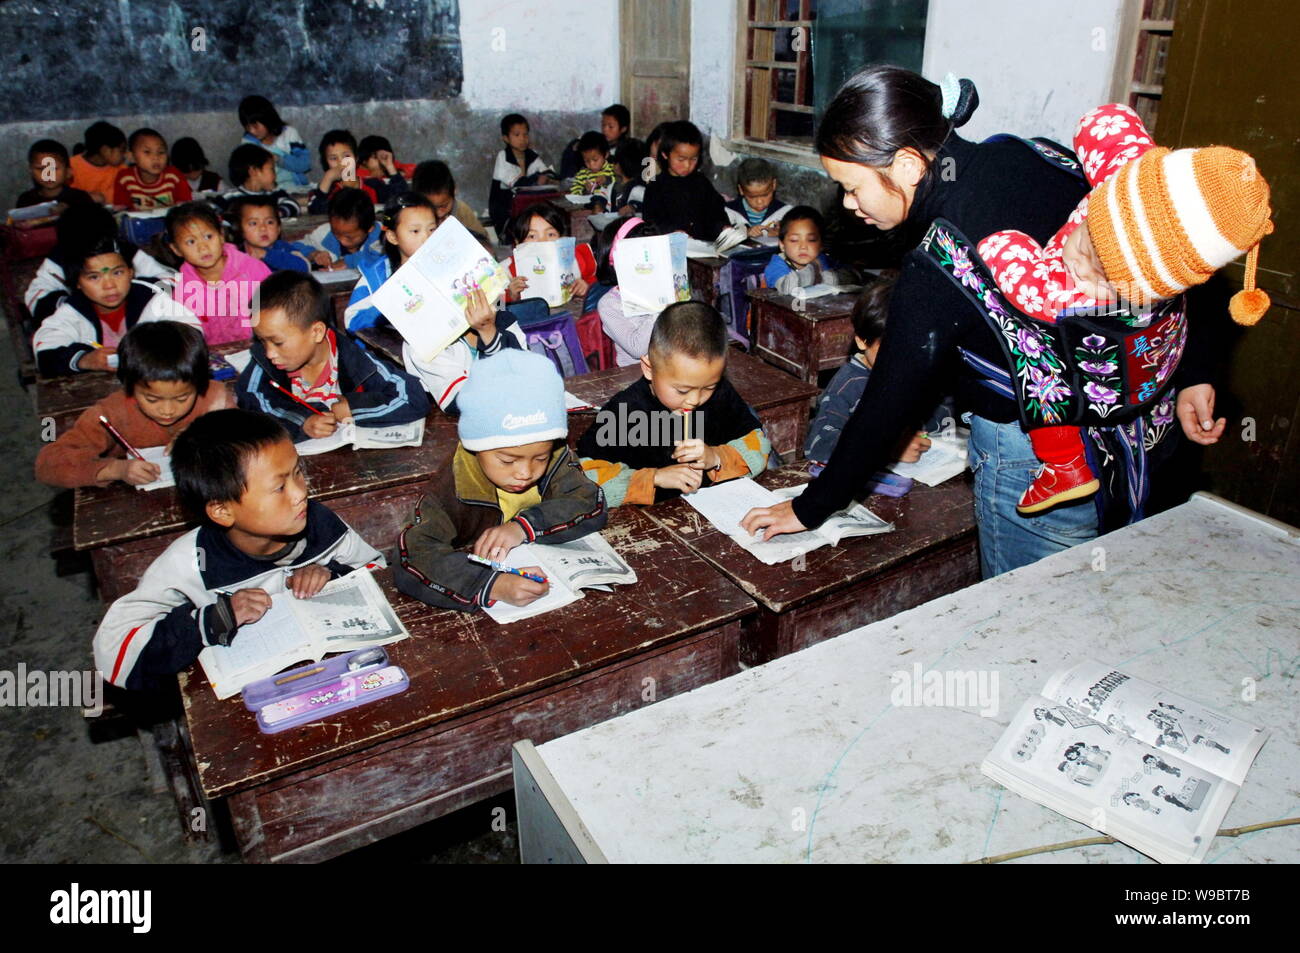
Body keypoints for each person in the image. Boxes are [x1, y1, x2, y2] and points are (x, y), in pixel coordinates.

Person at [740, 66, 1232, 578]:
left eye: (851, 186)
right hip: (1147, 425)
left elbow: (886, 405)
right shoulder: (1026, 152)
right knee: (1106, 597)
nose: (847, 204)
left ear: (908, 164)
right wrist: (1195, 369)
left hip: (1044, 469)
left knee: (1032, 618)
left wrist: (809, 507)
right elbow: (1174, 246)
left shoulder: (939, 262)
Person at [977, 103, 1273, 514]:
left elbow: (1003, 250)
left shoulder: (1066, 295)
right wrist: (1197, 376)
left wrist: (1004, 240)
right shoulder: (1127, 176)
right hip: (1145, 402)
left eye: (1103, 275)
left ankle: (1063, 464)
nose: (1078, 265)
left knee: (1045, 369)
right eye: (1086, 242)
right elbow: (1107, 122)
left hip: (1137, 423)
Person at [92, 409, 385, 691]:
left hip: (329, 673)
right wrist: (214, 619)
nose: (300, 492)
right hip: (241, 697)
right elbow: (113, 655)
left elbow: (377, 569)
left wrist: (333, 575)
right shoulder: (191, 565)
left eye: (297, 473)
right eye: (279, 487)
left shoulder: (319, 523)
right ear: (222, 511)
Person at [394, 350, 607, 612]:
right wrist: (491, 584)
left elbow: (588, 501)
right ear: (476, 447)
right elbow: (412, 556)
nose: (525, 472)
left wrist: (523, 527)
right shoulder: (453, 485)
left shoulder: (554, 457)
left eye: (539, 458)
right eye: (508, 461)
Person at [577, 300, 771, 506]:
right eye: (682, 390)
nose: (695, 400)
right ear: (648, 369)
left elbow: (759, 445)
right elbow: (585, 477)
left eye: (708, 387)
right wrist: (654, 478)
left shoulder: (720, 396)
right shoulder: (624, 412)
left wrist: (716, 457)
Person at [236, 271, 429, 441]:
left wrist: (355, 409)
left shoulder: (354, 361)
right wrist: (301, 421)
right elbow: (250, 402)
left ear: (317, 332)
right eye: (262, 341)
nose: (269, 352)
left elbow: (411, 396)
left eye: (278, 342)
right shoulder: (265, 362)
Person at [35, 321, 231, 488]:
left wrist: (202, 434)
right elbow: (47, 465)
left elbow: (248, 441)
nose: (168, 410)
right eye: (152, 399)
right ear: (129, 386)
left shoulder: (214, 396)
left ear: (199, 385)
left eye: (182, 398)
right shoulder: (111, 413)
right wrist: (115, 469)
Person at [805, 276, 937, 475]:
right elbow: (818, 446)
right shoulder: (848, 384)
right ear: (862, 341)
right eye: (888, 350)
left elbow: (942, 414)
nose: (901, 360)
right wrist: (888, 448)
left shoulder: (915, 373)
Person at [32, 233, 199, 376]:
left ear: (131, 273)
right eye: (94, 277)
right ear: (77, 283)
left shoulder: (152, 299)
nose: (109, 285)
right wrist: (84, 360)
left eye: (117, 273)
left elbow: (192, 332)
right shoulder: (72, 312)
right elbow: (45, 355)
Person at [23, 203, 173, 324]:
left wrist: (137, 293)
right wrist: (80, 304)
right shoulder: (61, 256)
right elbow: (36, 296)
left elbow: (167, 280)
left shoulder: (125, 250)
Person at [166, 201, 270, 345]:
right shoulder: (182, 290)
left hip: (260, 350)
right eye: (191, 242)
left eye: (208, 236)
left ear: (221, 236)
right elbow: (187, 338)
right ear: (176, 249)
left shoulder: (253, 270)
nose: (203, 248)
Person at [344, 192, 439, 330]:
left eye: (432, 229)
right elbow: (352, 320)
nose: (427, 238)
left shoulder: (443, 268)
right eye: (415, 231)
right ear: (393, 236)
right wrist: (391, 307)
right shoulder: (378, 274)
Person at [641, 120, 729, 241]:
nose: (687, 165)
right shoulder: (656, 187)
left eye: (693, 159)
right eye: (681, 160)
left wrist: (723, 228)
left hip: (704, 248)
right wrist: (671, 231)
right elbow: (651, 222)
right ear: (665, 154)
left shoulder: (701, 182)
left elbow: (715, 212)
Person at [591, 215, 660, 366]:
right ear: (615, 262)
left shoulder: (669, 288)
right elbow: (637, 349)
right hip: (636, 378)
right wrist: (662, 304)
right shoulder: (610, 304)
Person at [504, 201, 597, 303]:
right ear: (518, 242)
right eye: (532, 236)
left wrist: (586, 288)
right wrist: (511, 296)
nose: (543, 241)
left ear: (561, 238)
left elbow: (598, 288)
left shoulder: (575, 260)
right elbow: (496, 306)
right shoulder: (507, 270)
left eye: (550, 234)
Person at [761, 206, 854, 294]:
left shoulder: (823, 260)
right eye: (794, 240)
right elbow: (786, 285)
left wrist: (821, 278)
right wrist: (817, 272)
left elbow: (854, 275)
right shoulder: (777, 265)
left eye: (811, 240)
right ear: (782, 245)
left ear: (821, 245)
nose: (803, 246)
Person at [489, 113, 554, 233]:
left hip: (526, 208)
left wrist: (549, 177)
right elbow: (517, 184)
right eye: (517, 135)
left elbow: (545, 172)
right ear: (506, 138)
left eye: (525, 134)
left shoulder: (531, 156)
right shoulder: (503, 157)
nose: (522, 139)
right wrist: (537, 179)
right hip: (505, 211)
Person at [307, 130, 394, 214]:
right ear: (326, 163)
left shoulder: (374, 185)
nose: (341, 162)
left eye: (346, 156)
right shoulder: (327, 189)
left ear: (356, 158)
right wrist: (327, 178)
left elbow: (399, 199)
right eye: (333, 158)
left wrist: (390, 167)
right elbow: (315, 210)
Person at [237, 95, 311, 189]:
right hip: (264, 190)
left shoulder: (289, 134)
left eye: (255, 126)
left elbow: (305, 164)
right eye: (247, 127)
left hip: (293, 187)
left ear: (267, 119)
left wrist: (279, 159)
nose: (252, 131)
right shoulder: (248, 142)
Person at [411, 159, 490, 242]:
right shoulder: (411, 219)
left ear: (454, 191)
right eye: (432, 207)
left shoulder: (462, 211)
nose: (439, 213)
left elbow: (484, 241)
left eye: (444, 206)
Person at [228, 195, 312, 273]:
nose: (263, 228)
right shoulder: (234, 254)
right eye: (253, 223)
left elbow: (304, 267)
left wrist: (267, 254)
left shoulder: (283, 248)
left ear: (278, 228)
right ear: (239, 229)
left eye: (270, 222)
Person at [303, 189, 384, 269]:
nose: (343, 242)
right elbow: (295, 248)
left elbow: (382, 256)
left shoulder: (383, 236)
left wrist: (348, 262)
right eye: (336, 234)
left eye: (349, 237)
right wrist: (313, 254)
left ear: (370, 228)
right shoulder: (324, 233)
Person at [112, 128, 191, 209]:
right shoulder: (125, 178)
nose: (156, 157)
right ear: (131, 157)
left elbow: (186, 207)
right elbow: (120, 211)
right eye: (147, 152)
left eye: (161, 152)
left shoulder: (174, 176)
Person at [219, 143, 301, 219]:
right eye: (272, 169)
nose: (275, 175)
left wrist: (277, 213)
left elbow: (293, 205)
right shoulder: (232, 196)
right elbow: (211, 209)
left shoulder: (274, 194)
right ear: (253, 171)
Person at [15, 140, 93, 210]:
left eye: (54, 169)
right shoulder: (26, 200)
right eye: (41, 169)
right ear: (31, 171)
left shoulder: (80, 198)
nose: (48, 174)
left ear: (68, 172)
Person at [726, 157, 790, 238]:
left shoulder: (784, 213)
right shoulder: (729, 211)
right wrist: (745, 233)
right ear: (741, 190)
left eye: (765, 195)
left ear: (774, 185)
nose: (760, 201)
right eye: (752, 197)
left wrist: (782, 232)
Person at [69, 121, 127, 204]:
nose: (124, 156)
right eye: (122, 151)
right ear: (105, 150)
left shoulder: (122, 170)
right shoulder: (71, 167)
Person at [569, 132, 616, 196]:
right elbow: (574, 193)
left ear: (606, 154)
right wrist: (585, 191)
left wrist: (607, 180)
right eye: (586, 161)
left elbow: (621, 185)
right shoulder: (582, 175)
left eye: (595, 160)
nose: (591, 165)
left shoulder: (613, 170)